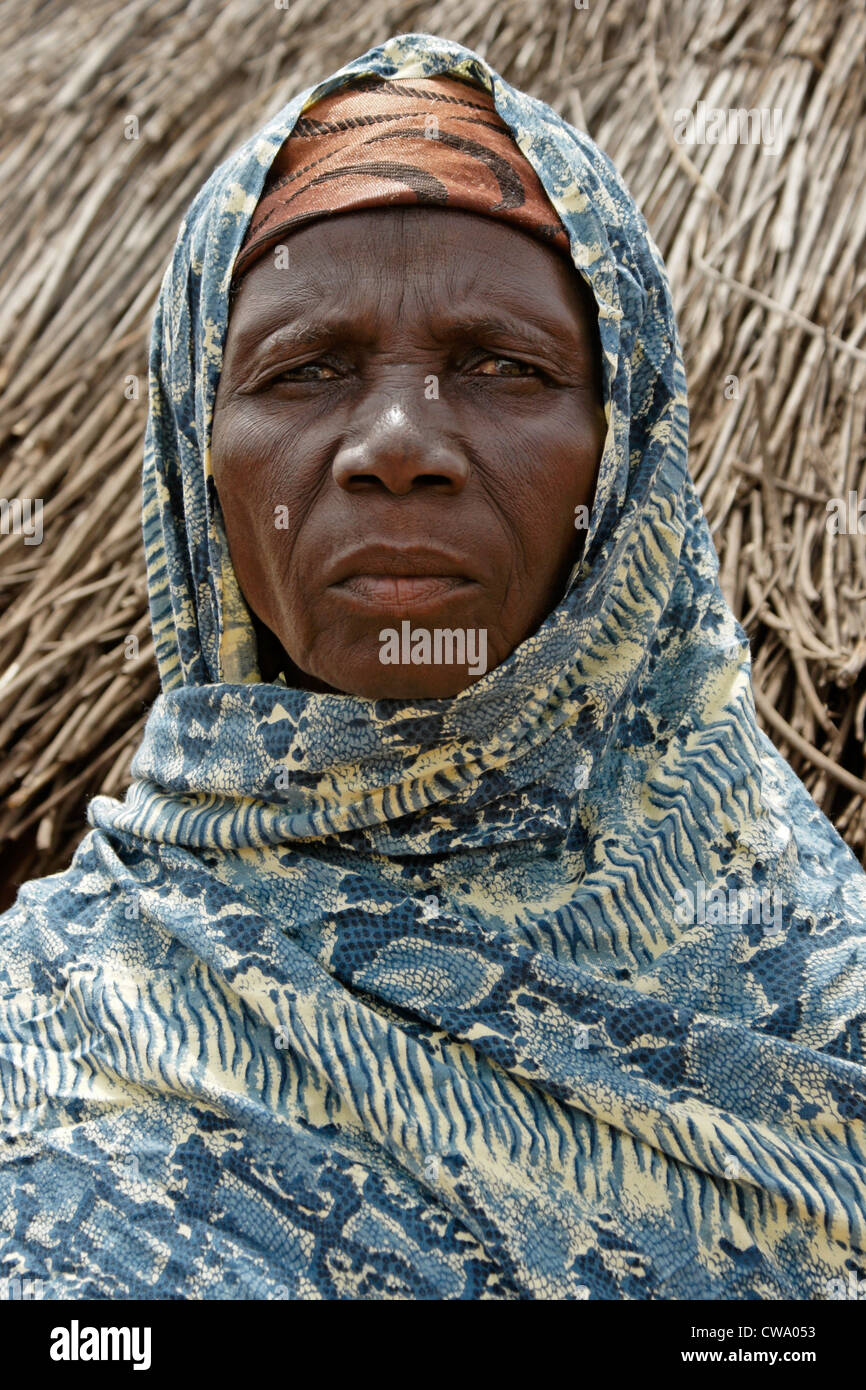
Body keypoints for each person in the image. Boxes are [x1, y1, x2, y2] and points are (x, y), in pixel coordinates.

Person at [0, 31, 864, 1301]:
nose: (398, 445)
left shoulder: (814, 1002)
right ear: (200, 462)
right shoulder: (56, 1007)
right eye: (305, 371)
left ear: (621, 462)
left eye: (503, 367)